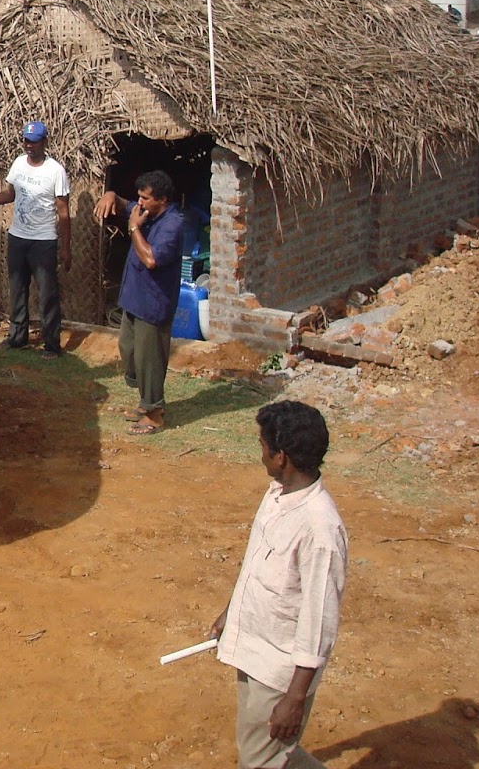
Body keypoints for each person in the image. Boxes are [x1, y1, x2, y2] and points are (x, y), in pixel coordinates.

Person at [210, 400, 347, 769]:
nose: (261, 454)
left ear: (281, 456)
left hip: (280, 673)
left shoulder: (320, 530)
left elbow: (320, 621)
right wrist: (231, 612)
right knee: (267, 751)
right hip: (253, 647)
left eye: (262, 446)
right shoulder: (277, 494)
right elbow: (258, 562)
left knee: (259, 759)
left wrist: (295, 698)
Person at [0, 121, 71, 358]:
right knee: (17, 289)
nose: (29, 146)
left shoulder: (55, 171)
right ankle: (17, 338)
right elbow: (9, 195)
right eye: (26, 141)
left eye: (34, 141)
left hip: (44, 241)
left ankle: (52, 345)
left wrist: (66, 248)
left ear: (44, 142)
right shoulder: (18, 164)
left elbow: (63, 213)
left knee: (47, 294)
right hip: (18, 237)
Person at [94, 169, 184, 434]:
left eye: (145, 198)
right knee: (129, 349)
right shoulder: (148, 211)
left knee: (150, 359)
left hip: (153, 304)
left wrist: (133, 227)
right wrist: (110, 195)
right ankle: (146, 401)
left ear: (163, 200)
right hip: (134, 299)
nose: (140, 202)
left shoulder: (172, 225)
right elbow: (123, 203)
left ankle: (154, 413)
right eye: (139, 197)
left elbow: (151, 259)